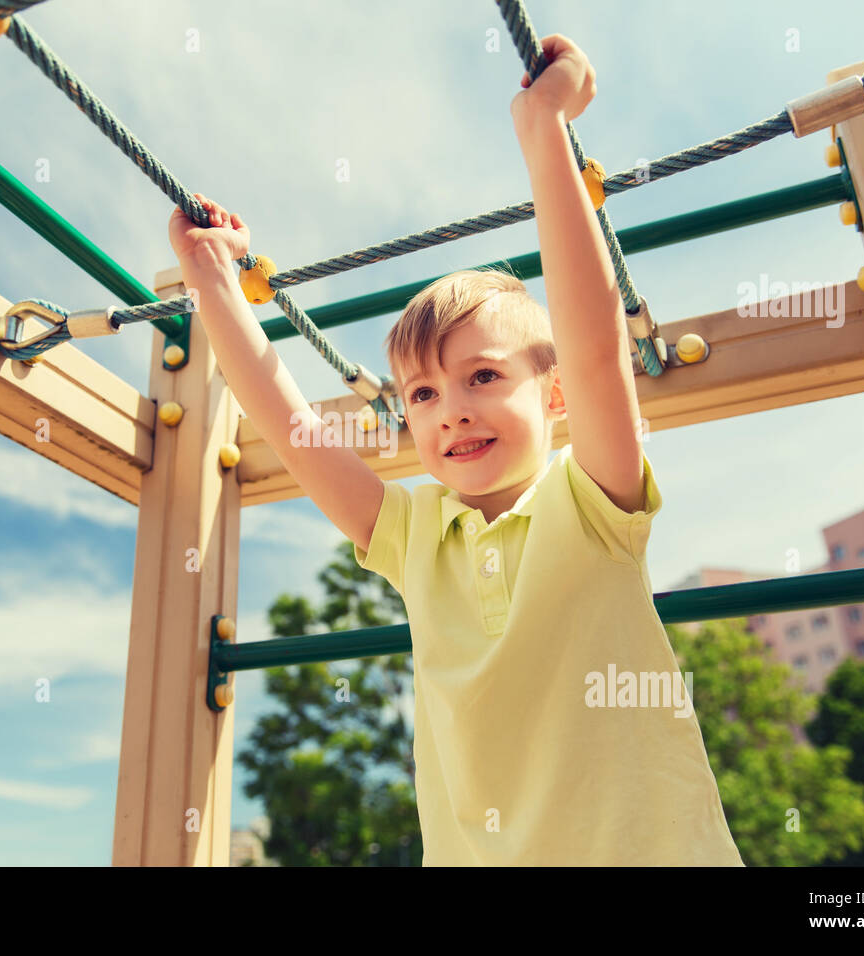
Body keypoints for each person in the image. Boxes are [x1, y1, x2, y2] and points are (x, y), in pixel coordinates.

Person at [168, 33, 743, 866]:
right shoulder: (412, 536)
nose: (451, 413)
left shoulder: (593, 505)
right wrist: (210, 279)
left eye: (481, 377)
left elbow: (592, 348)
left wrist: (543, 128)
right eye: (425, 395)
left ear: (551, 397)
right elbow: (294, 431)